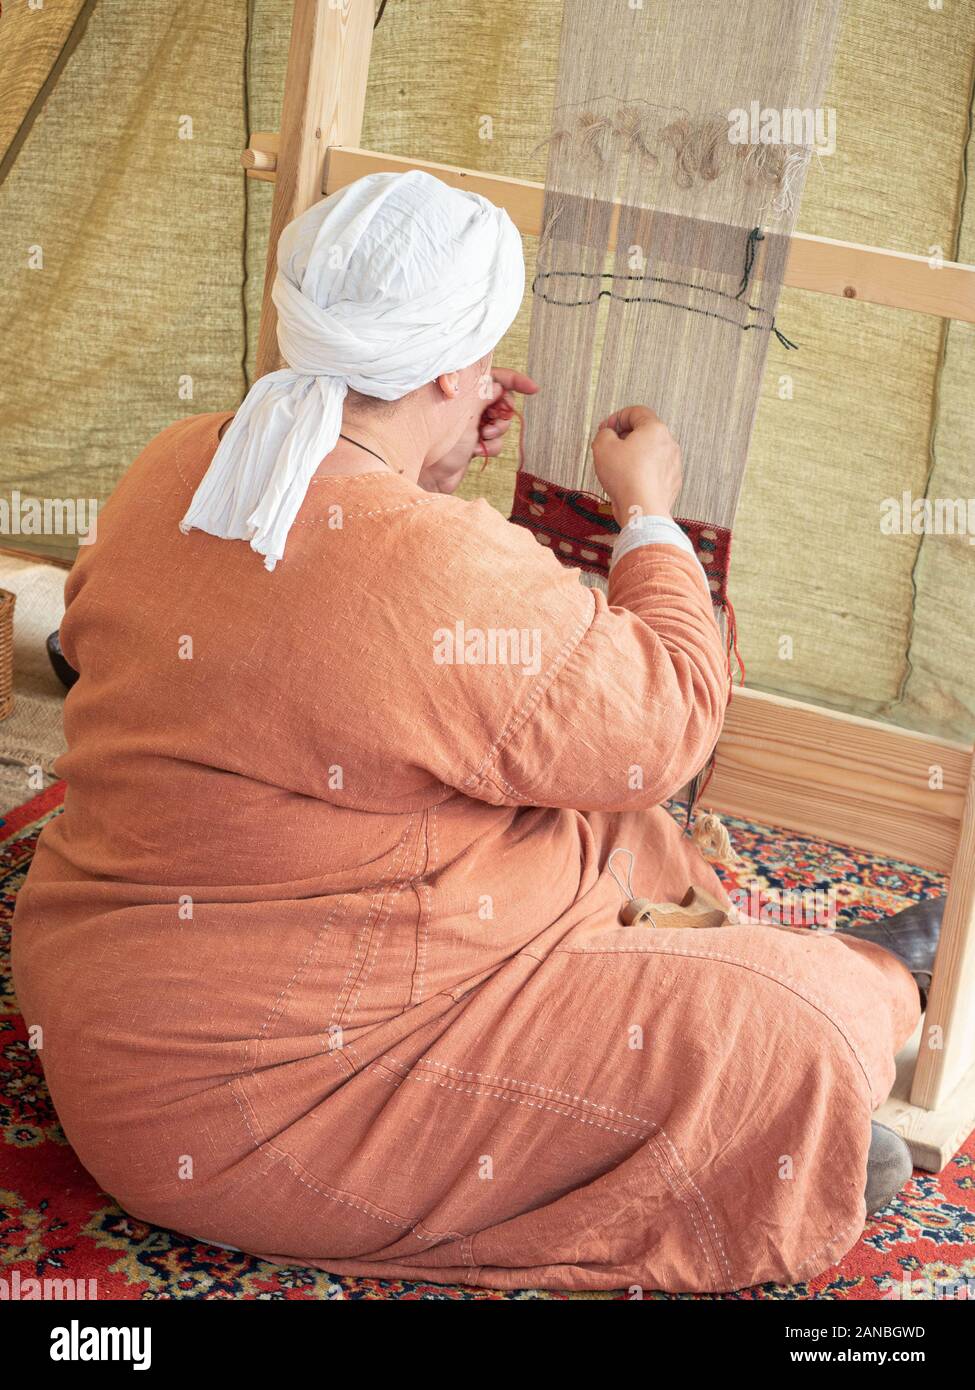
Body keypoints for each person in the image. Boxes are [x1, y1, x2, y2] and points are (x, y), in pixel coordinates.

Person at [12, 170, 939, 1294]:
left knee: (577, 800)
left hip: (111, 1025)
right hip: (277, 1101)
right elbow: (671, 714)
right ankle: (867, 984)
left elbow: (273, 628)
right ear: (455, 368)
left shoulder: (180, 462)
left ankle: (730, 1026)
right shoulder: (443, 564)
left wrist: (427, 460)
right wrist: (650, 512)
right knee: (794, 1024)